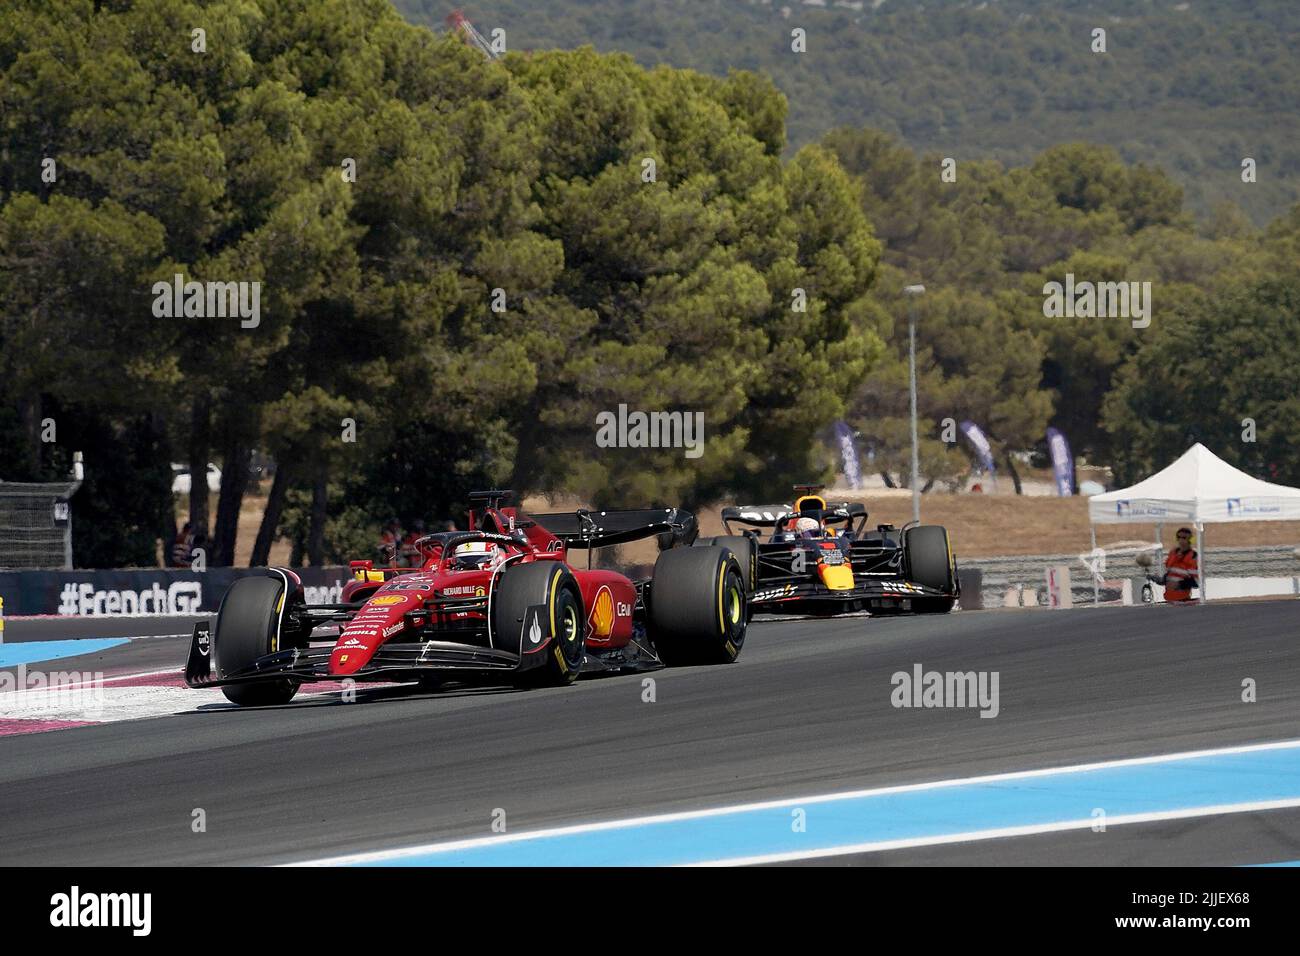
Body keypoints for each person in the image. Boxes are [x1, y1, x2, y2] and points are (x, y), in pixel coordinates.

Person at [1161, 527, 1199, 602]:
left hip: (1183, 600)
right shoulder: (1173, 553)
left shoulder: (1193, 556)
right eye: (1179, 537)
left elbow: (1196, 582)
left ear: (1190, 540)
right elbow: (1169, 574)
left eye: (1184, 538)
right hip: (1168, 599)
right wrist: (1160, 580)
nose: (1181, 540)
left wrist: (1179, 584)